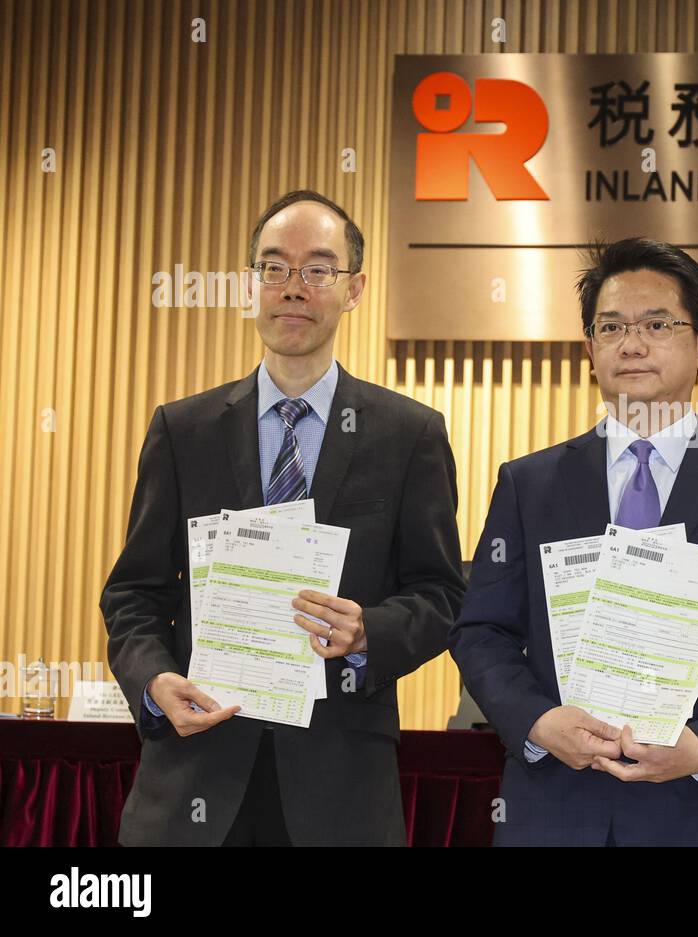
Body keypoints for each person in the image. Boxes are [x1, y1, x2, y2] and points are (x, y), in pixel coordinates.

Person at [102, 190, 465, 845]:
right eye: (275, 267)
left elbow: (442, 594)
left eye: (318, 269)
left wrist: (368, 632)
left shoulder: (409, 434)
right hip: (193, 783)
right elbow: (134, 593)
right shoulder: (183, 430)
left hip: (340, 792)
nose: (293, 287)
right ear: (250, 285)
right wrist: (154, 681)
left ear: (353, 288)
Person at [450, 237, 698, 845]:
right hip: (550, 809)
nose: (632, 343)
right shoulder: (528, 485)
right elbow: (481, 632)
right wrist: (539, 723)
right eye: (612, 327)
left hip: (692, 815)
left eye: (658, 324)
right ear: (590, 349)